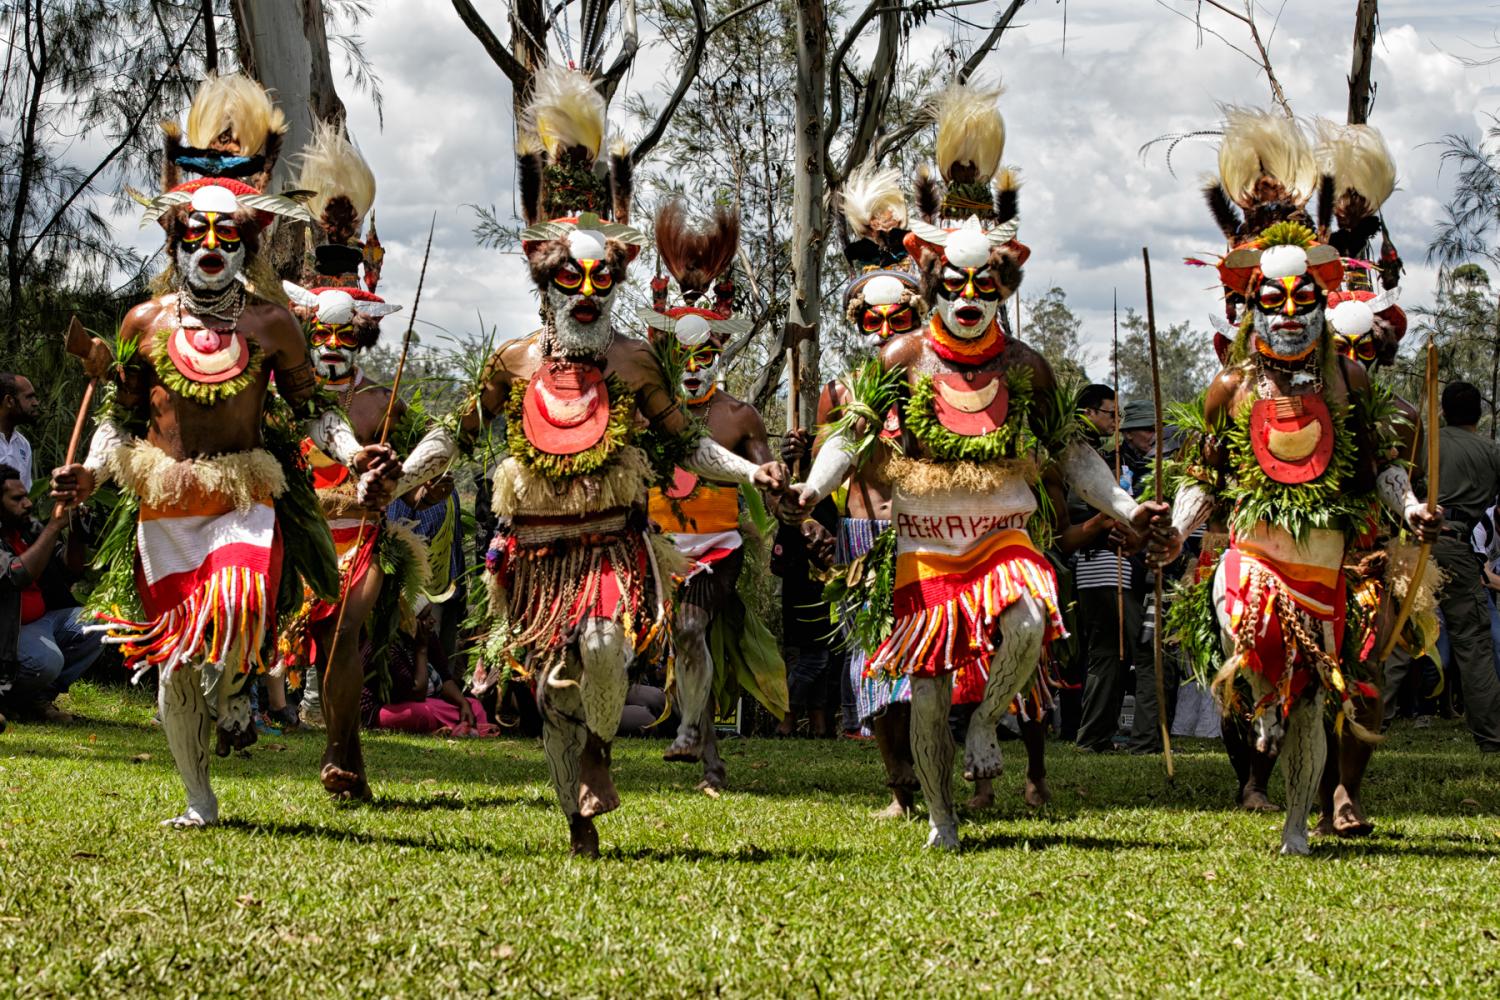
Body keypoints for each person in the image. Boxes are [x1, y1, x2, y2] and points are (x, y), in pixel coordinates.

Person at [793, 81, 1169, 850]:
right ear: (931, 281)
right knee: (926, 691)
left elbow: (1073, 453)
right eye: (955, 283)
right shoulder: (902, 357)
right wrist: (813, 485)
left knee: (1030, 622)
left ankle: (990, 722)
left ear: (1005, 284)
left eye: (984, 283)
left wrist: (1129, 511)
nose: (968, 297)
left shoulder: (1028, 367)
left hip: (1003, 538)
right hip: (927, 545)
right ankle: (939, 819)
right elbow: (854, 433)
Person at [51, 73, 399, 828]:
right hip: (165, 503)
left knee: (240, 609)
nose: (212, 245)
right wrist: (89, 470)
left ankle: (239, 684)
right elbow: (122, 416)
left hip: (246, 497)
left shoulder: (273, 325)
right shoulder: (145, 322)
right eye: (198, 233)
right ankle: (199, 798)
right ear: (177, 238)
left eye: (228, 233)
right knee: (177, 666)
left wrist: (355, 449)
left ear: (248, 239)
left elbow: (311, 415)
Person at [458, 66, 787, 857]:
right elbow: (460, 429)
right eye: (571, 275)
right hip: (534, 555)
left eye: (601, 274)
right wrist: (398, 473)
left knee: (606, 649)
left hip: (613, 543)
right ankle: (575, 822)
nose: (587, 289)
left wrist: (752, 473)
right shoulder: (513, 361)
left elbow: (685, 447)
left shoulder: (636, 362)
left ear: (617, 276)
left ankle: (602, 753)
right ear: (543, 272)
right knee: (548, 689)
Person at [1161, 108, 1439, 855]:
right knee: (1248, 640)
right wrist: (1178, 528)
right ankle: (1261, 738)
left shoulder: (1349, 374)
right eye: (1270, 302)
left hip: (1341, 542)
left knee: (1349, 672)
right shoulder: (1231, 382)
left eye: (1303, 300)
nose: (1287, 315)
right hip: (1254, 539)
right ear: (1248, 303)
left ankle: (1331, 799)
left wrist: (1407, 505)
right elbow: (1206, 468)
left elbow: (1380, 455)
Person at [276, 120, 455, 799]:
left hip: (364, 542)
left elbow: (425, 474)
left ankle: (337, 749)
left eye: (343, 333)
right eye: (318, 331)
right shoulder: (285, 398)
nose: (329, 345)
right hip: (300, 538)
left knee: (350, 635)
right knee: (324, 647)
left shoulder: (384, 405)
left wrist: (412, 486)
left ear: (365, 332)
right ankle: (341, 750)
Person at [641, 198, 786, 789]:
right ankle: (711, 764)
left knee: (693, 630)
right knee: (676, 641)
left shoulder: (739, 415)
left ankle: (690, 732)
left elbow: (770, 482)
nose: (695, 366)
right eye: (684, 355)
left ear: (721, 351)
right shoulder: (647, 412)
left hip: (719, 546)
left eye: (706, 354)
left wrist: (798, 515)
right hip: (656, 549)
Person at [1412, 381, 1500, 751]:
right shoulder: (1491, 452)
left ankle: (1371, 724)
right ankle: (1492, 738)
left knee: (1399, 638)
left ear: (1444, 411)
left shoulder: (1425, 443)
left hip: (1414, 547)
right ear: (1479, 415)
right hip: (1460, 547)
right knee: (1473, 642)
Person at [1073, 397, 1153, 753]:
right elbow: (1081, 511)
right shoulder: (1094, 460)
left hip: (1126, 568)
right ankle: (1142, 740)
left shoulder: (1135, 463)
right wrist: (1109, 521)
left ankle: (1094, 737)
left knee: (1110, 655)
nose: (1152, 435)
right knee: (1139, 652)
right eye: (1145, 428)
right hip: (1105, 565)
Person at [0, 464, 101, 720]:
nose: (27, 504)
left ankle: (38, 698)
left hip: (42, 621)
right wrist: (54, 526)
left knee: (100, 622)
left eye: (26, 496)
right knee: (47, 661)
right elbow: (18, 574)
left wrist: (77, 534)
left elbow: (70, 568)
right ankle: (10, 701)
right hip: (9, 634)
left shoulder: (26, 528)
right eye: (16, 499)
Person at [359, 606, 485, 735]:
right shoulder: (388, 644)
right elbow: (417, 693)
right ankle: (461, 728)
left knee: (474, 705)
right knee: (424, 713)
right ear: (407, 620)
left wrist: (463, 703)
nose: (432, 621)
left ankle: (456, 727)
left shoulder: (426, 634)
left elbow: (444, 677)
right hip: (385, 709)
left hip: (424, 701)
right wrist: (421, 650)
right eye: (425, 617)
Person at [773, 499, 838, 737]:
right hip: (801, 590)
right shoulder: (796, 504)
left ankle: (817, 723)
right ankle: (786, 718)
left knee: (820, 658)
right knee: (813, 660)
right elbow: (780, 560)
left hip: (826, 589)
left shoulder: (828, 502)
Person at [0, 375, 37, 489]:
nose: (36, 403)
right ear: (9, 401)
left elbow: (24, 492)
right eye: (29, 397)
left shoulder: (23, 445)